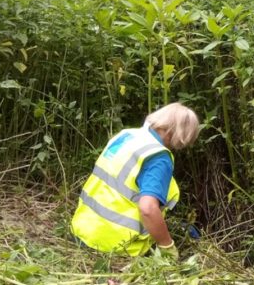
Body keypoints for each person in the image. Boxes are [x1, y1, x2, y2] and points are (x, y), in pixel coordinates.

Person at [71, 102, 200, 258]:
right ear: (179, 133)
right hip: (115, 246)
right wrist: (167, 246)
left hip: (81, 231)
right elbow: (148, 209)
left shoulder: (127, 136)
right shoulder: (158, 157)